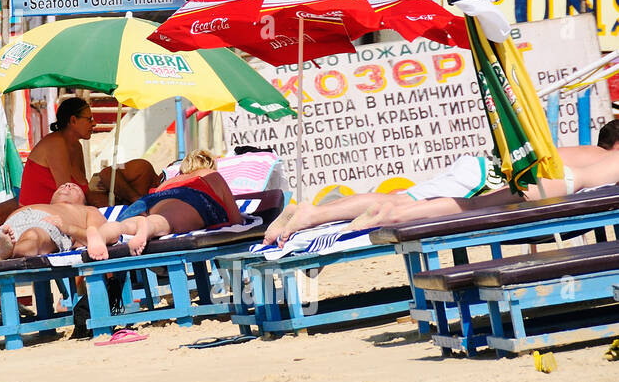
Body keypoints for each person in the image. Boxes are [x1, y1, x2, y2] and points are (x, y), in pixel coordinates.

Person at [264, 120, 619, 246]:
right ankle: (381, 216)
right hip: (487, 177)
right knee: (425, 204)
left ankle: (317, 213)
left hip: (489, 170)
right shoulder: (603, 158)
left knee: (400, 196)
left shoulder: (587, 151)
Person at [84, 149, 244, 260]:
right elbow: (236, 220)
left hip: (151, 199)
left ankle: (101, 234)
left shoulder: (170, 181)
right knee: (163, 220)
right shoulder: (210, 174)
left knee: (126, 225)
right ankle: (147, 227)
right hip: (191, 196)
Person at [19, 97, 94, 206]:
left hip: (60, 213)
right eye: (89, 119)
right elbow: (68, 198)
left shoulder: (77, 146)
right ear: (73, 120)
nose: (94, 123)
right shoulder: (55, 144)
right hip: (38, 217)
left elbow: (85, 193)